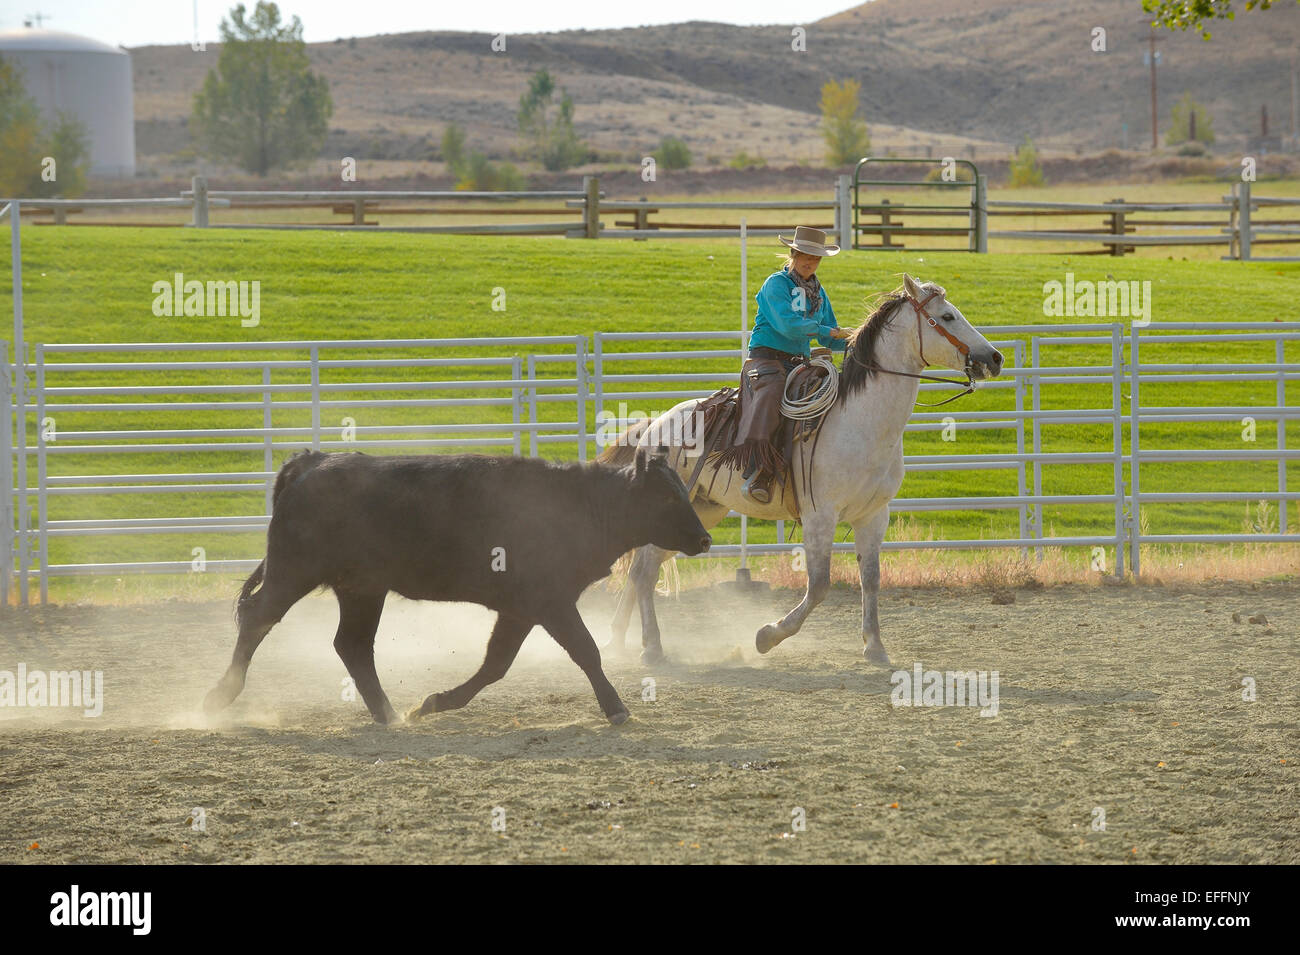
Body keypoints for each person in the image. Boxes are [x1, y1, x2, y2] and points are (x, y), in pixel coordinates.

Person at [737, 226, 850, 505]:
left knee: (834, 393)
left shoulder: (818, 293)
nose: (810, 262)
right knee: (772, 393)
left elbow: (829, 333)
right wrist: (827, 331)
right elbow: (788, 325)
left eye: (816, 257)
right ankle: (758, 469)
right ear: (793, 254)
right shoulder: (776, 284)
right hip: (766, 359)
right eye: (805, 255)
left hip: (800, 363)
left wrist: (855, 342)